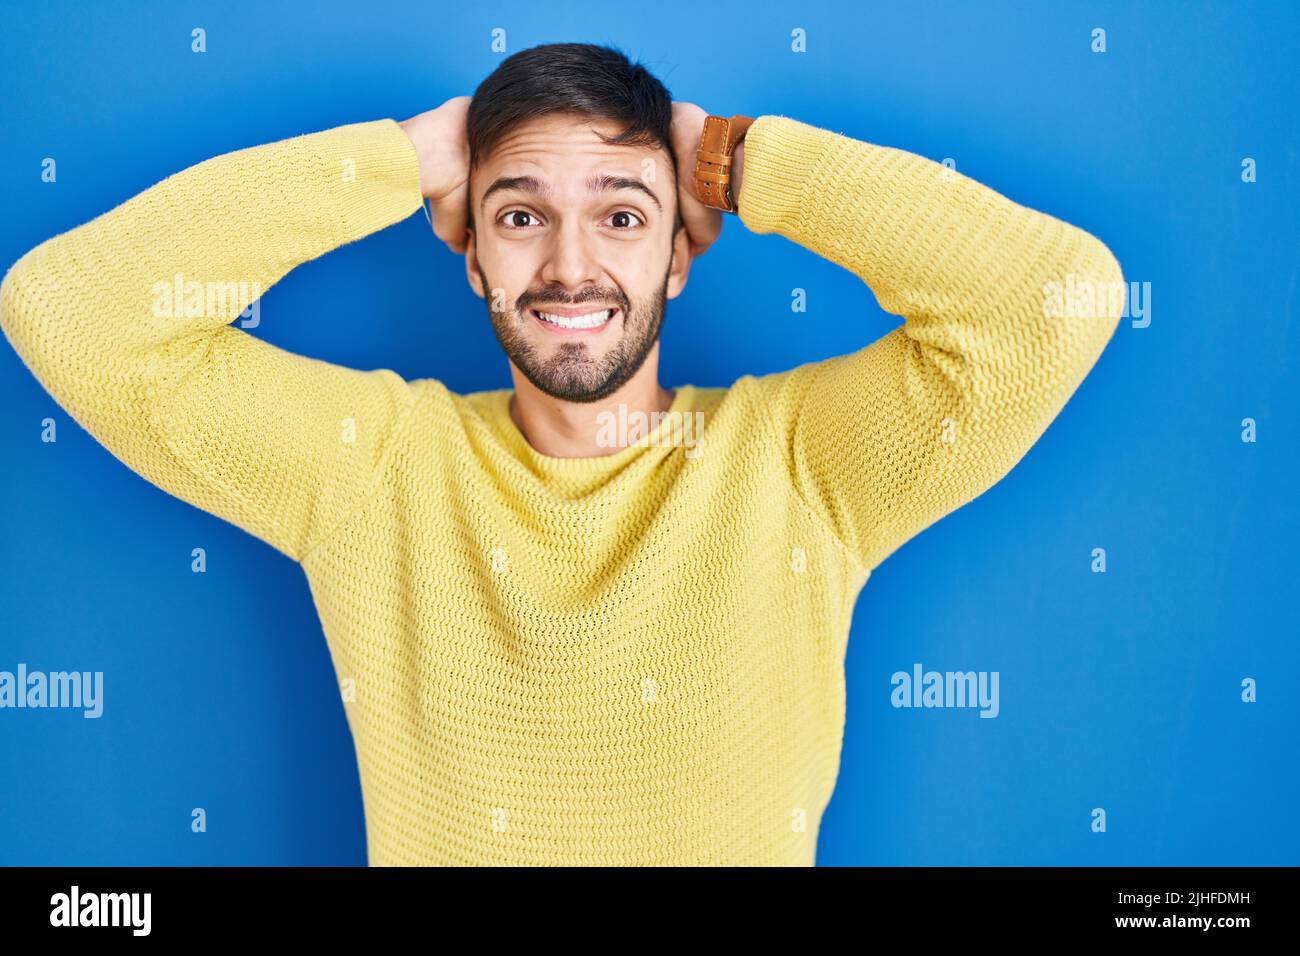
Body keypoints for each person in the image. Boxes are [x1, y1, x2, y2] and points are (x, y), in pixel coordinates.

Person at [0, 42, 1124, 865]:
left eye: (625, 216)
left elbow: (1056, 301)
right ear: (471, 254)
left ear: (683, 255)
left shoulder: (799, 461)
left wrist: (733, 160)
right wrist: (406, 158)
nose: (570, 266)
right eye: (521, 214)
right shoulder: (372, 465)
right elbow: (65, 312)